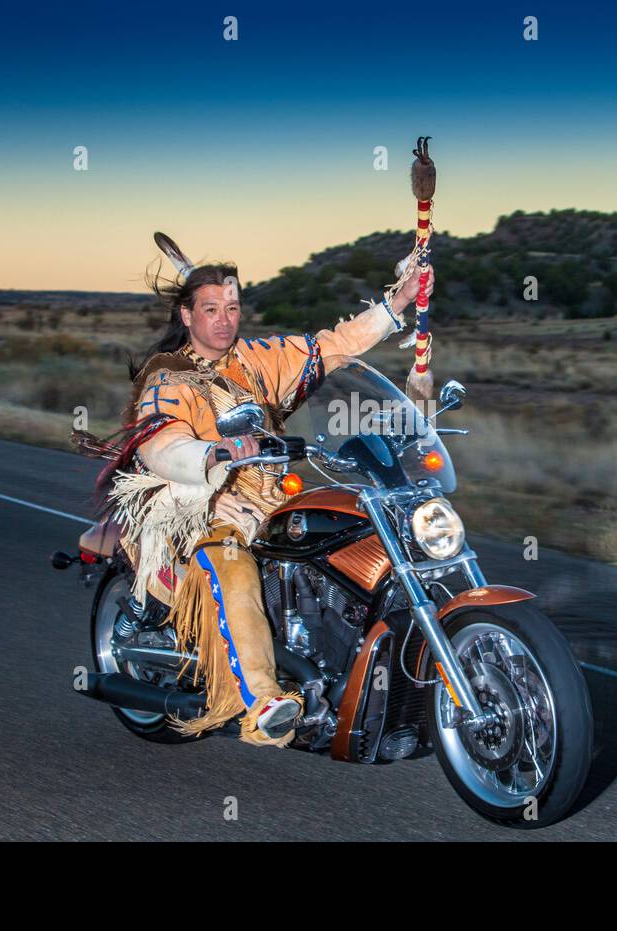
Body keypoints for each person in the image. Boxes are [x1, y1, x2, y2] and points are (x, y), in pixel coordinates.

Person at [95, 243, 433, 747]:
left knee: (344, 527)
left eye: (231, 308)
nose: (224, 320)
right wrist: (210, 457)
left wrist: (399, 302)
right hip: (197, 504)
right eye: (210, 309)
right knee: (231, 561)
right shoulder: (168, 380)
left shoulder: (257, 359)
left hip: (267, 498)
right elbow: (161, 445)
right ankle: (263, 701)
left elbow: (334, 346)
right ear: (187, 315)